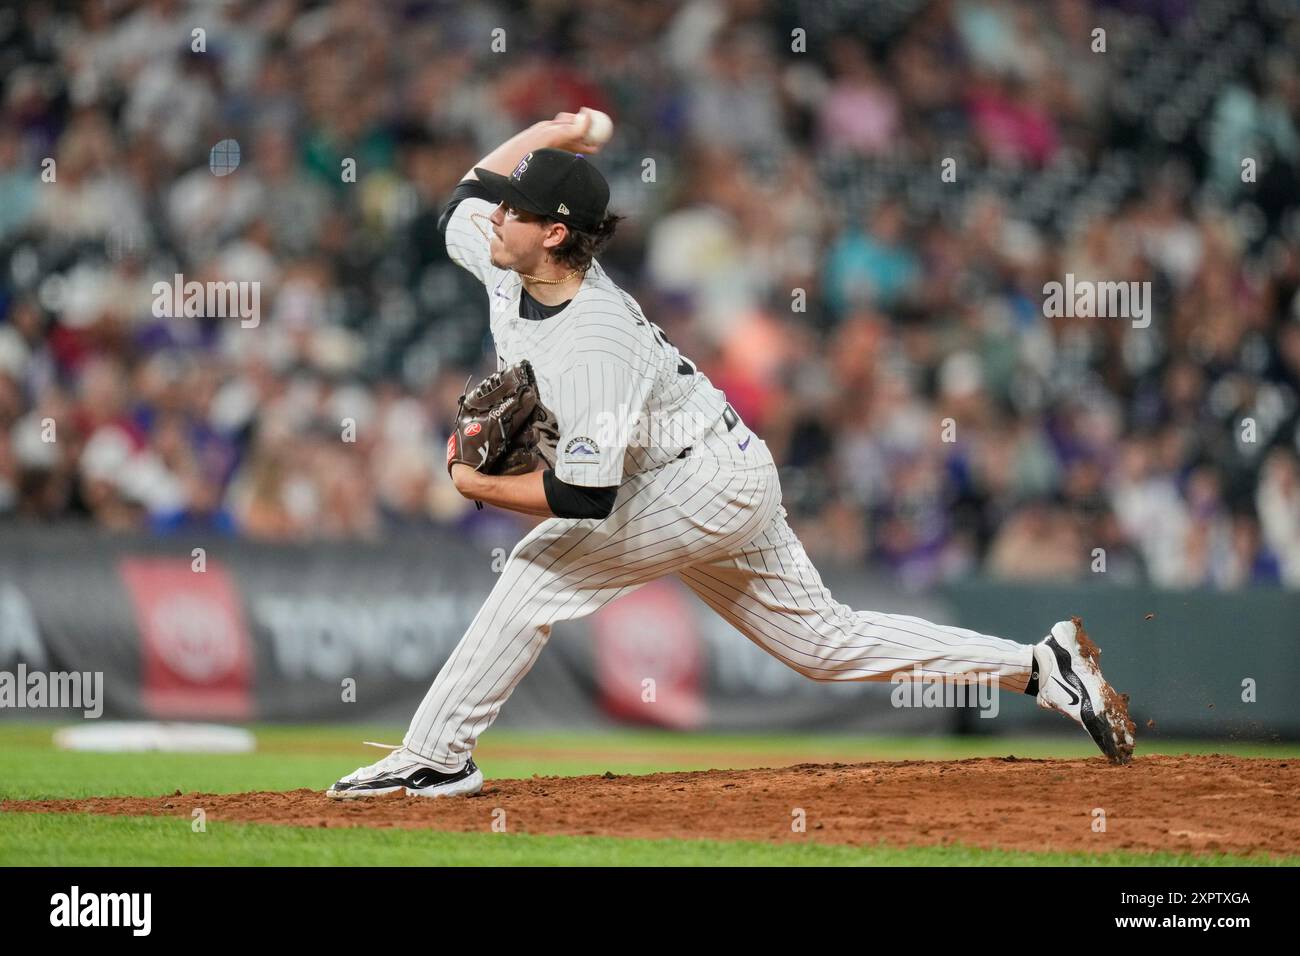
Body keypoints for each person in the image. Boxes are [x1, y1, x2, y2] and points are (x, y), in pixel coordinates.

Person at [327, 113, 1135, 798]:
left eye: (518, 210)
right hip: (711, 466)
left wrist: (470, 480)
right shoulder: (516, 267)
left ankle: (435, 758)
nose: (497, 217)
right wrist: (552, 131)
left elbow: (585, 498)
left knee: (538, 571)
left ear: (556, 233)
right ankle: (1042, 665)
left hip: (697, 480)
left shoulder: (594, 340)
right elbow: (460, 202)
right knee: (824, 645)